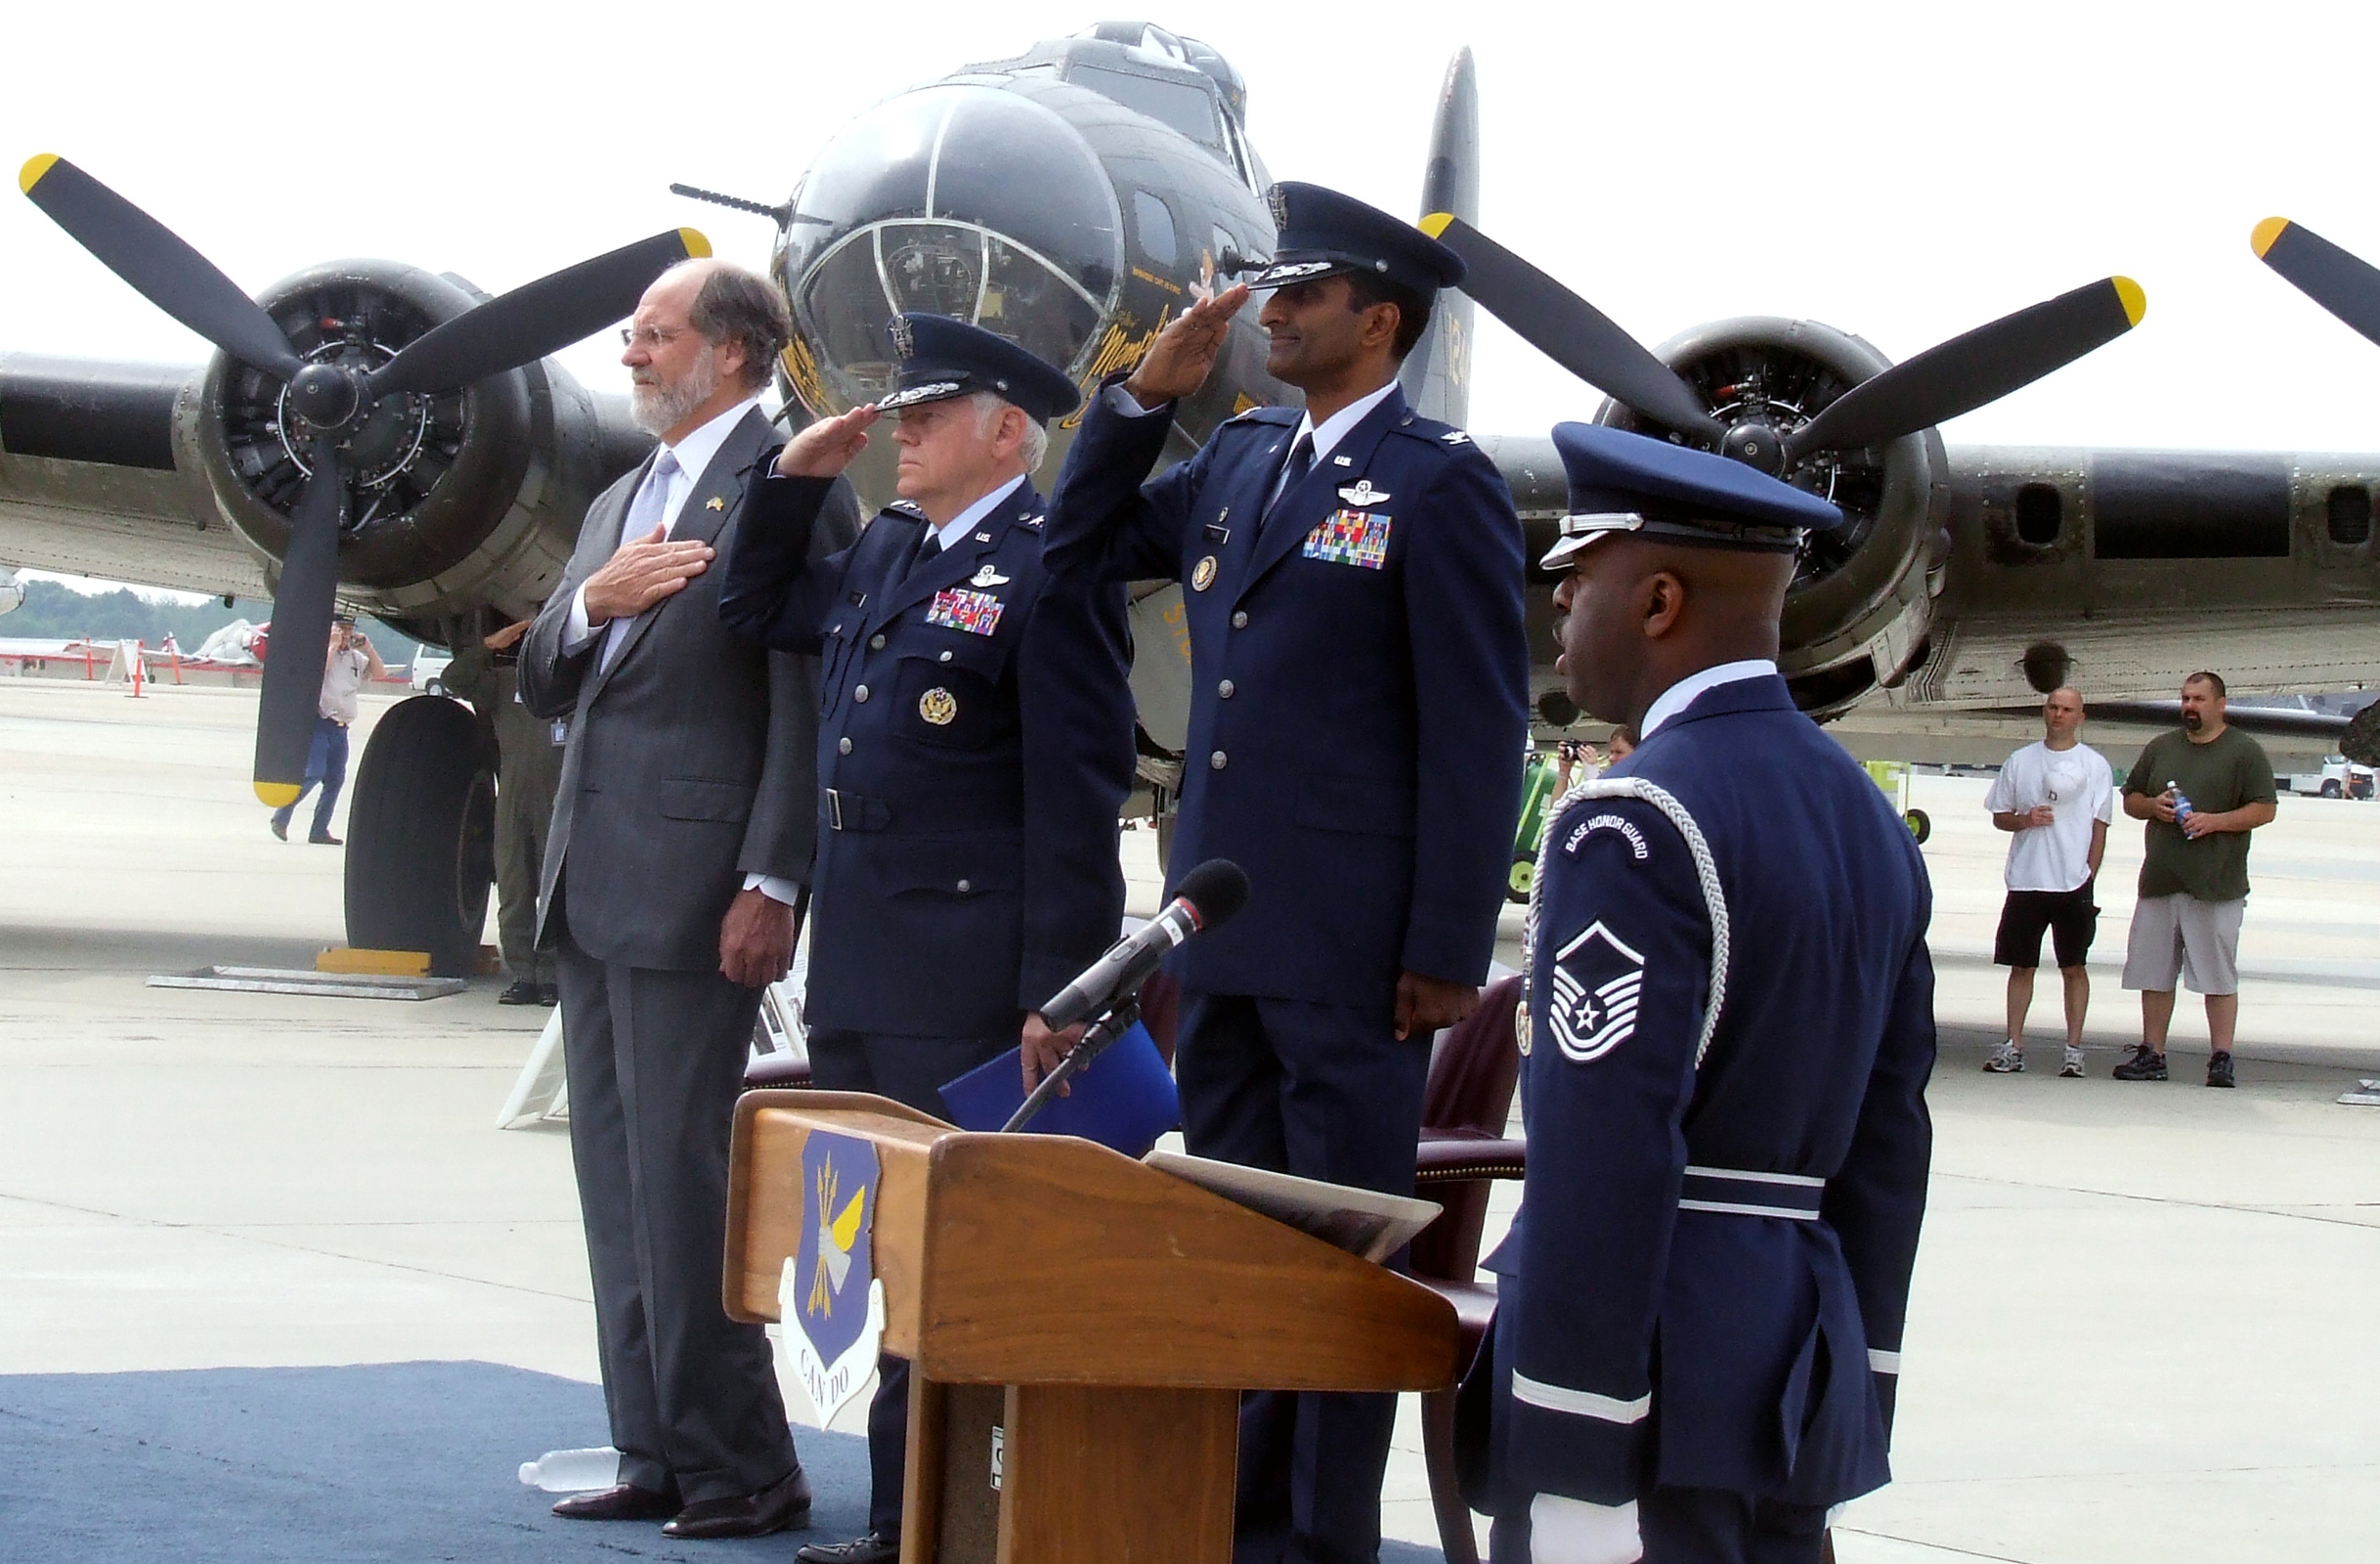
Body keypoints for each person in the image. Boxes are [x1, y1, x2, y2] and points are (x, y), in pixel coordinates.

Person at [1043, 181, 1529, 1564]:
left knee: (1330, 1262)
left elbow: (1476, 728)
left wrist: (1442, 948)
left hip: (1357, 955)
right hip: (1226, 931)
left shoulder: (1437, 486)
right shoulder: (1243, 460)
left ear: (1377, 319)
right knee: (1236, 1248)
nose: (1274, 303)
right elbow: (1078, 544)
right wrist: (1140, 401)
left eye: (1305, 289)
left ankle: (1323, 1544)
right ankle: (1237, 1522)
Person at [1469, 423, 1934, 1564]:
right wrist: (1858, 1380)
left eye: (1575, 581)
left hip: (1648, 1378)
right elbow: (1887, 1140)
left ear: (1658, 600)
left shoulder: (1630, 821)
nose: (1558, 618)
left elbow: (1604, 1156)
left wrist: (1576, 1450)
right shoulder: (1868, 820)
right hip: (1791, 1362)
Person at [718, 314, 1135, 1564]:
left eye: (931, 413)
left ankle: (941, 1522)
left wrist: (1057, 996)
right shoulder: (891, 545)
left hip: (965, 969)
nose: (902, 429)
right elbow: (753, 603)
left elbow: (1077, 794)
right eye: (902, 411)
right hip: (859, 956)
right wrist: (790, 480)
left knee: (951, 1257)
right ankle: (905, 1513)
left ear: (1008, 430)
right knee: (880, 1244)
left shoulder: (1048, 562)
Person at [517, 258, 858, 1540]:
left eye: (652, 337)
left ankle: (743, 1465)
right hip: (592, 886)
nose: (629, 356)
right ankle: (653, 1449)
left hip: (698, 887)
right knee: (615, 1181)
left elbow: (804, 697)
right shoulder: (619, 499)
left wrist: (774, 878)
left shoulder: (791, 487)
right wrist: (589, 607)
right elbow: (548, 677)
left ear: (726, 354)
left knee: (682, 1181)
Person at [2113, 672, 2277, 1088]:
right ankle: (2153, 1053)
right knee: (2153, 972)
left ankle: (2221, 1056)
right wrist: (2154, 806)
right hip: (2160, 881)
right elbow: (2130, 798)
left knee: (2216, 974)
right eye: (2185, 698)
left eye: (2199, 699)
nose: (2190, 706)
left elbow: (2264, 808)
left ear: (2220, 704)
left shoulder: (2243, 751)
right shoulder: (2162, 748)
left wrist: (2216, 822)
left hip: (2215, 886)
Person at [1981, 687, 2113, 1077]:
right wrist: (2025, 820)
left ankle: (2073, 1049)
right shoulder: (2021, 761)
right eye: (2053, 707)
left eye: (2067, 709)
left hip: (2072, 882)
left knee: (2074, 966)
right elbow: (1999, 814)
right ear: (2045, 711)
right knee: (2021, 966)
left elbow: (2099, 824)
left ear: (2080, 717)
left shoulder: (2095, 766)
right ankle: (2013, 1045)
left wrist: (2088, 873)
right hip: (2026, 880)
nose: (2059, 715)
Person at [444, 614, 564, 1005]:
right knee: (514, 887)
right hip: (513, 798)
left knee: (552, 890)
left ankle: (551, 974)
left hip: (558, 801)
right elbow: (454, 679)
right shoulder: (502, 684)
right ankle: (524, 974)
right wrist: (489, 645)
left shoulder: (570, 686)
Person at [269, 616, 381, 844]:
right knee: (314, 772)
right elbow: (319, 672)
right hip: (321, 722)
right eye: (342, 629)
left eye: (349, 630)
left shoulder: (354, 659)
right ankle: (282, 815)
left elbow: (380, 673)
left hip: (341, 727)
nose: (346, 634)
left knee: (336, 779)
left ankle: (319, 829)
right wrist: (332, 644)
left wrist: (368, 648)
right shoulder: (322, 653)